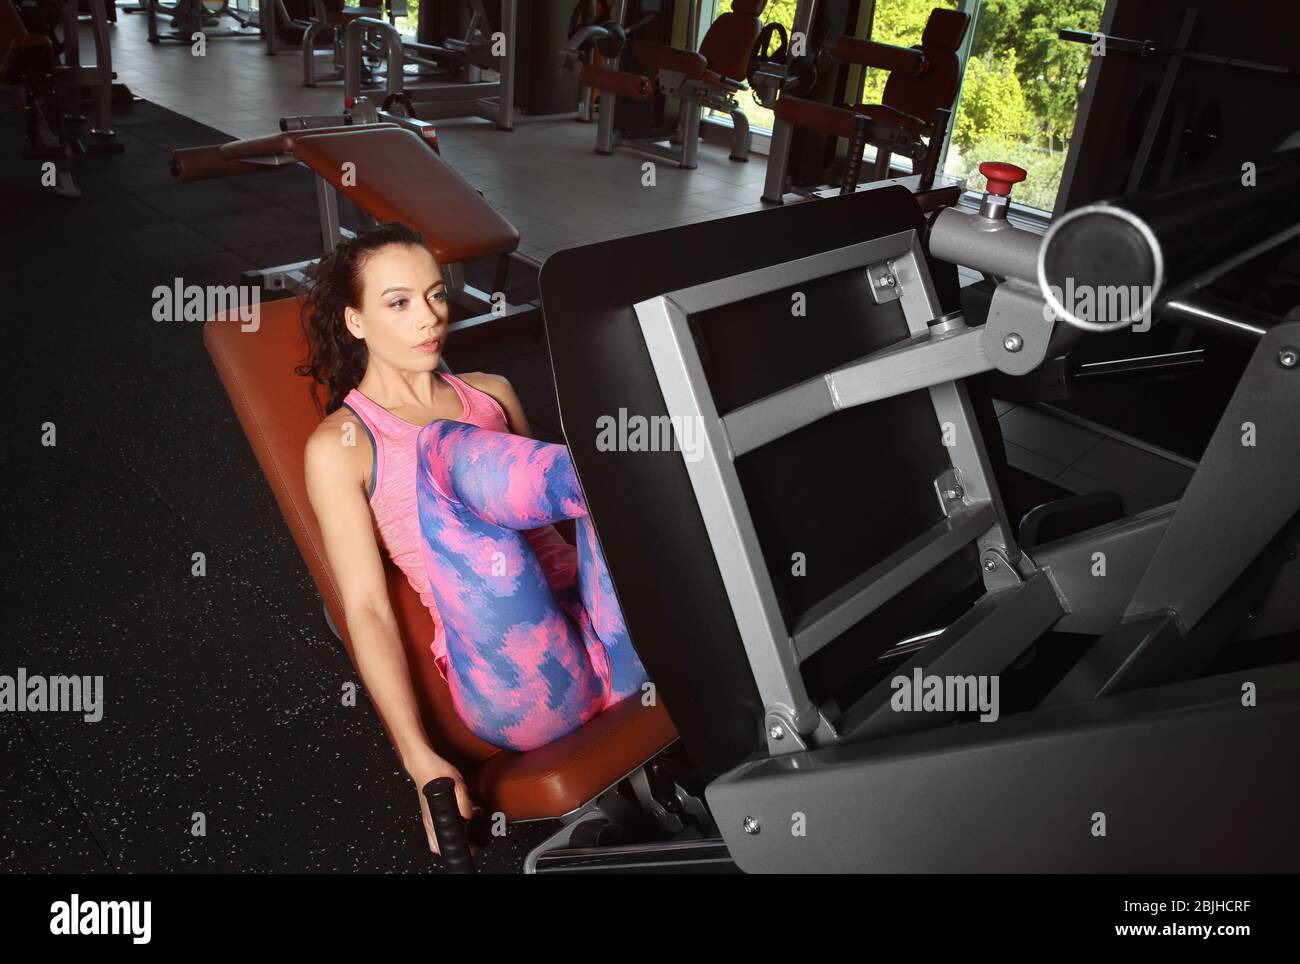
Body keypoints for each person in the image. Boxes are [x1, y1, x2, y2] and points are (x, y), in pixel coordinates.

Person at [300, 222, 648, 853]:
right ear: (355, 322)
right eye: (399, 302)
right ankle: (619, 468)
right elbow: (368, 611)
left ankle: (619, 471)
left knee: (592, 498)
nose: (430, 318)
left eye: (436, 295)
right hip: (527, 683)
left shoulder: (490, 392)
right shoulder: (341, 446)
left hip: (618, 644)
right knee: (443, 452)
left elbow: (564, 526)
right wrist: (418, 762)